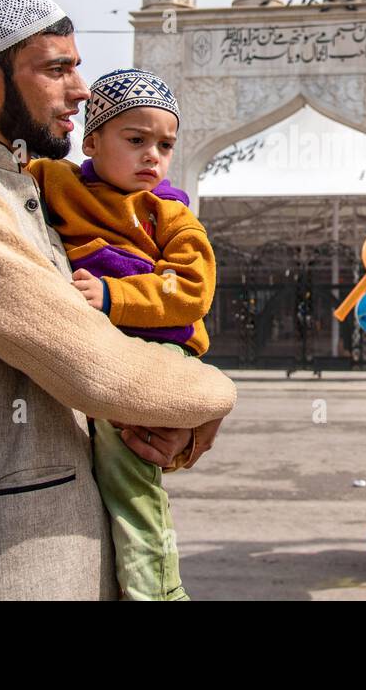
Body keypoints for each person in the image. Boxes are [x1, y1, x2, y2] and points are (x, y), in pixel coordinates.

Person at [0, 0, 236, 600]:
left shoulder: (40, 198)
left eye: (77, 67)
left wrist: (169, 428)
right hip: (0, 559)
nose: (80, 90)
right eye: (57, 68)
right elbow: (99, 369)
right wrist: (216, 397)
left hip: (76, 541)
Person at [27, 67, 213, 601]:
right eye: (135, 141)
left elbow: (192, 290)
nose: (152, 156)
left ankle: (158, 591)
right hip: (87, 353)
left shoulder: (169, 214)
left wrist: (114, 296)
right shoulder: (56, 182)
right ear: (91, 142)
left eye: (165, 145)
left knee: (130, 480)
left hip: (151, 354)